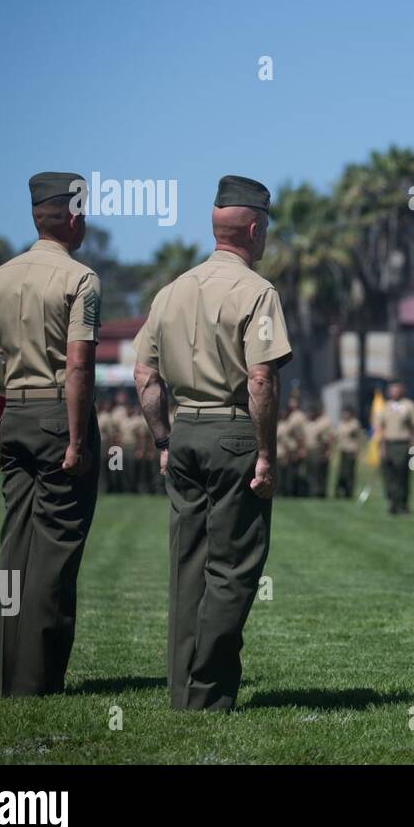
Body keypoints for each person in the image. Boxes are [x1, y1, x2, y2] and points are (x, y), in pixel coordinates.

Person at [132, 175, 292, 710]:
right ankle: (209, 688)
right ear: (253, 227)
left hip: (184, 432)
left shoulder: (171, 290)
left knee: (187, 566)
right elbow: (261, 380)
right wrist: (265, 452)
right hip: (232, 431)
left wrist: (162, 439)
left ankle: (182, 689)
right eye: (265, 227)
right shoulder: (256, 291)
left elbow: (145, 378)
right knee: (233, 567)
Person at [0, 171, 102, 697]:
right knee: (56, 548)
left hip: (11, 416)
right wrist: (75, 440)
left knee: (14, 545)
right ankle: (39, 678)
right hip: (55, 415)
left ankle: (8, 674)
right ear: (72, 218)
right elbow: (79, 367)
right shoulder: (81, 280)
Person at [376, 381, 414, 514]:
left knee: (402, 475)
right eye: (391, 389)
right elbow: (381, 428)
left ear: (402, 390)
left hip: (403, 444)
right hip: (388, 444)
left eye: (395, 389)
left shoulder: (409, 406)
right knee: (388, 475)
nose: (393, 392)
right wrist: (382, 447)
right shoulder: (385, 406)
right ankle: (392, 501)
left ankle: (403, 503)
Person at [334, 407, 364, 498]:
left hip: (351, 451)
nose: (345, 415)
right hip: (342, 451)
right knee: (341, 473)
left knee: (349, 473)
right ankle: (339, 491)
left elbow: (358, 438)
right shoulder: (340, 424)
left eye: (347, 413)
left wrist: (357, 451)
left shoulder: (354, 424)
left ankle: (349, 492)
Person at [307, 403, 333, 498]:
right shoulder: (312, 422)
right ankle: (312, 491)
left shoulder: (324, 422)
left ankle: (318, 492)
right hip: (310, 450)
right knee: (311, 472)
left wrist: (327, 452)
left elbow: (327, 439)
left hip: (319, 450)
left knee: (319, 473)